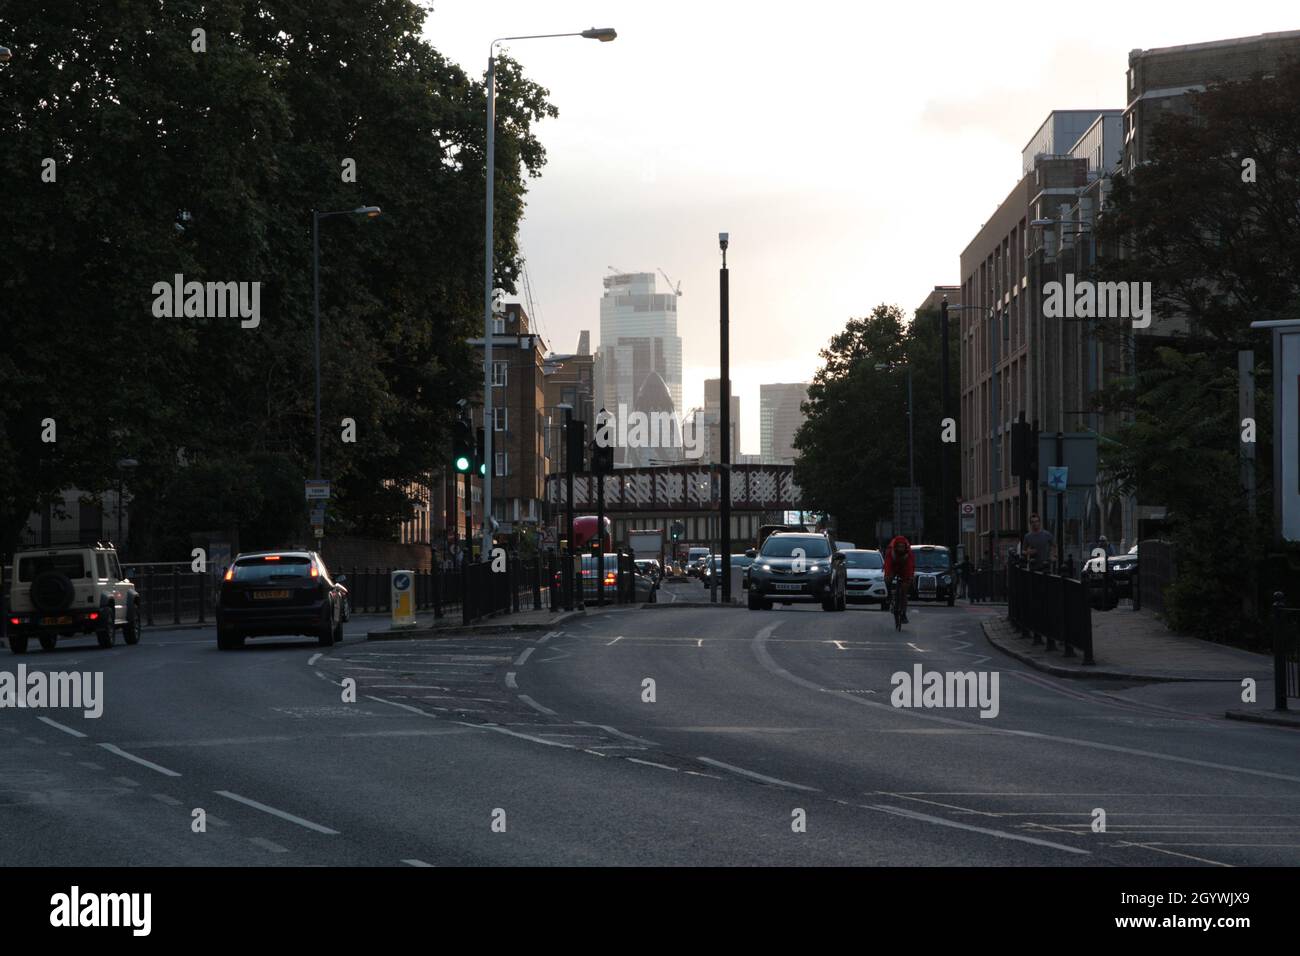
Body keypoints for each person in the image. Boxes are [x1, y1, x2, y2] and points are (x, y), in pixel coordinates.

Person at [882, 535, 916, 624]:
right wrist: (888, 575)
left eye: (902, 547)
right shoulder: (890, 552)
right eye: (899, 547)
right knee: (887, 579)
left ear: (905, 547)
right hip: (893, 566)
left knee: (904, 590)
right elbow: (888, 565)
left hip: (904, 568)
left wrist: (909, 577)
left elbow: (910, 566)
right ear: (895, 547)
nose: (901, 549)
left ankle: (904, 613)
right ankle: (889, 595)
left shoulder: (909, 554)